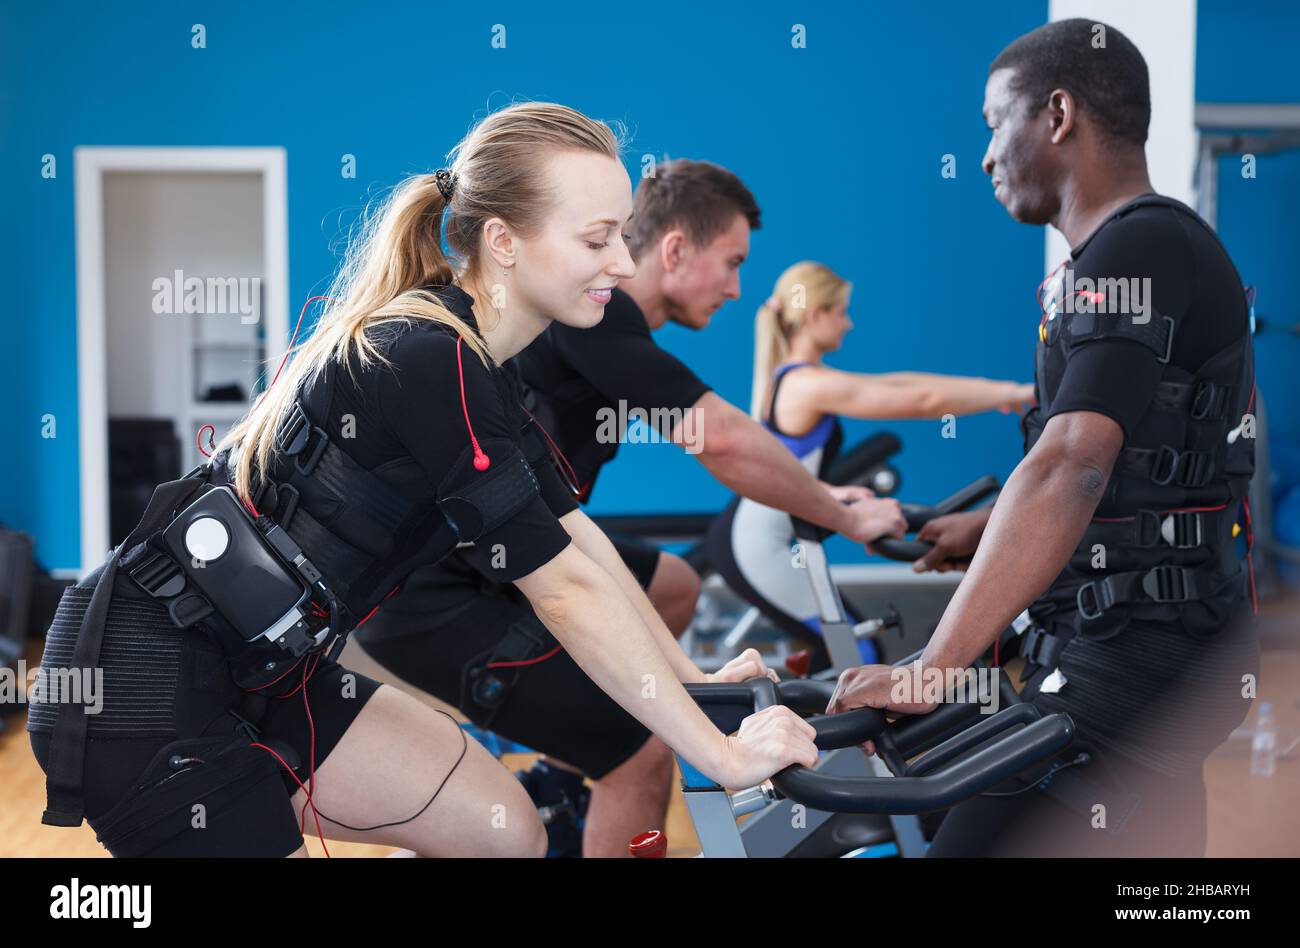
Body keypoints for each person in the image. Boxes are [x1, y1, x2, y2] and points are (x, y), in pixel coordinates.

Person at [28, 101, 820, 858]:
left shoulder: (480, 364)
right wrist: (721, 755)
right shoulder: (426, 354)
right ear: (505, 242)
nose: (622, 261)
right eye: (599, 239)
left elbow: (576, 543)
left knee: (504, 830)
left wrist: (698, 681)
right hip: (139, 690)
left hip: (267, 671)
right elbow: (563, 595)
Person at [356, 157, 906, 857]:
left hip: (486, 566)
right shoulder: (586, 313)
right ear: (675, 250)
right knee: (644, 751)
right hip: (438, 597)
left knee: (672, 586)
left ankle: (569, 784)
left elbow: (572, 528)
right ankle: (592, 774)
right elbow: (724, 441)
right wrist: (845, 516)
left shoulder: (579, 331)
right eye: (731, 263)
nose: (739, 290)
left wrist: (690, 679)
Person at [829, 19, 1261, 857]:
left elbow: (1071, 466)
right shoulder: (1128, 253)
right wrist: (987, 532)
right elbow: (1135, 472)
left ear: (1057, 113)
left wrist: (931, 669)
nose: (986, 155)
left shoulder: (1137, 246)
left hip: (1137, 652)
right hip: (1155, 637)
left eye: (996, 123)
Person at [706, 260, 1033, 666]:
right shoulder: (807, 385)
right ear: (815, 315)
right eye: (842, 312)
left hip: (749, 539)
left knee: (840, 653)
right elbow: (921, 401)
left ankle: (812, 724)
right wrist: (1012, 391)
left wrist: (1002, 391)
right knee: (856, 653)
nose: (849, 324)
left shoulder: (798, 377)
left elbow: (900, 384)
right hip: (756, 549)